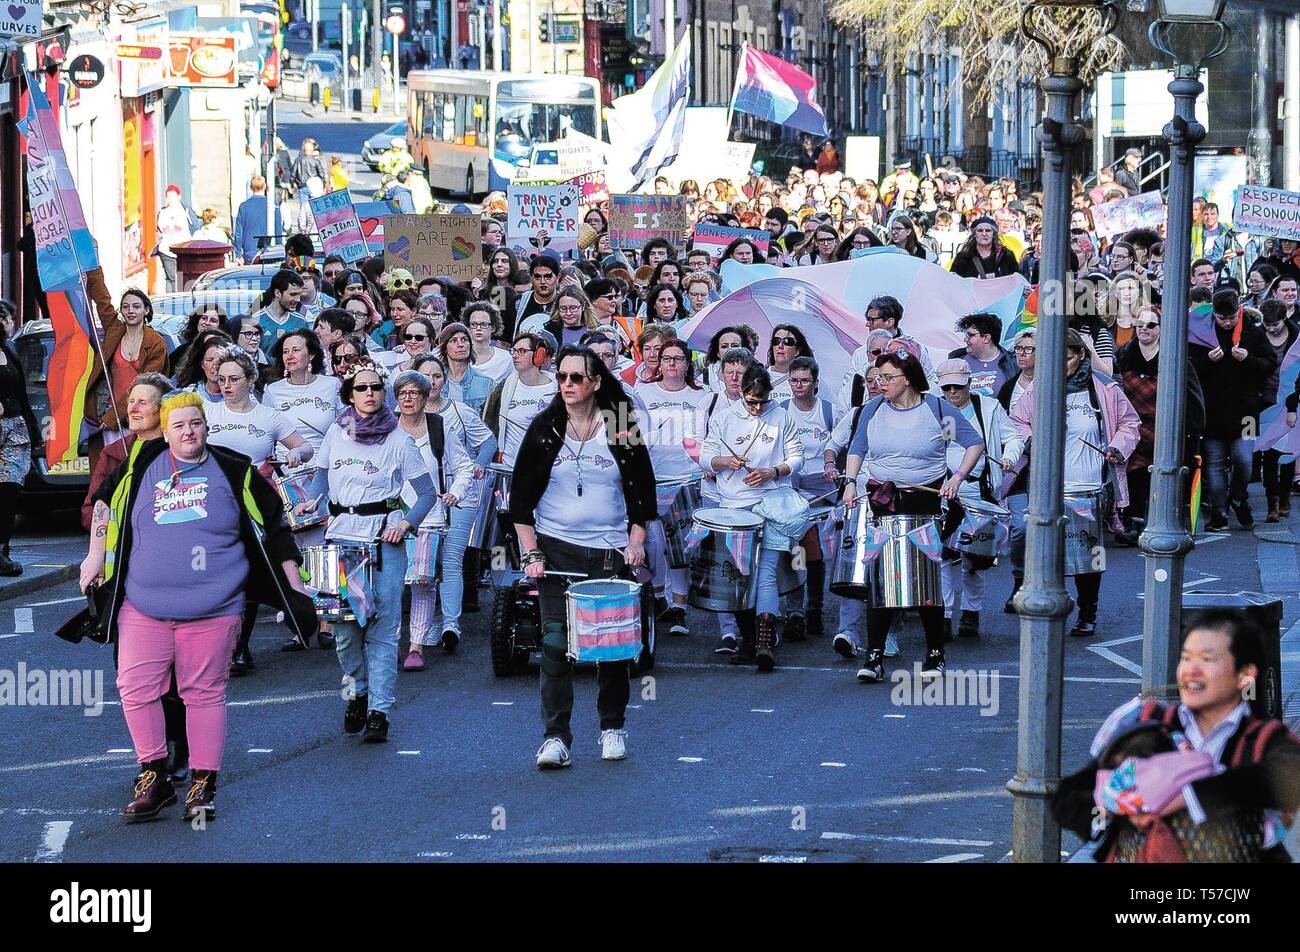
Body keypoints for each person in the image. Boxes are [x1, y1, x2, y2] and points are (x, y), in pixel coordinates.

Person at [81, 390, 315, 823]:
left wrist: (295, 587)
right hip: (143, 606)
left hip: (214, 609)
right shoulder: (143, 461)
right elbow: (103, 503)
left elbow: (277, 528)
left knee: (202, 694)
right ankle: (154, 775)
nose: (188, 432)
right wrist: (96, 554)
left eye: (195, 423)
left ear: (207, 426)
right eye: (179, 425)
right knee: (135, 689)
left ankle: (203, 784)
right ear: (165, 432)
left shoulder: (233, 468)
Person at [1052, 608, 1300, 863]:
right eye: (1186, 657)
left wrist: (1186, 796)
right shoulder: (1147, 724)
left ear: (1245, 675)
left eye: (1207, 659)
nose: (1191, 670)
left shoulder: (1264, 740)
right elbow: (1069, 797)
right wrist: (1112, 812)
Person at [509, 346, 657, 769]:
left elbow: (641, 490)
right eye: (562, 377)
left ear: (595, 382)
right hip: (556, 547)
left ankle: (612, 726)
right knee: (555, 642)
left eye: (577, 378)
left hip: (608, 549)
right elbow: (520, 500)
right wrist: (530, 550)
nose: (568, 385)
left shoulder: (619, 423)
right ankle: (556, 737)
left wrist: (636, 539)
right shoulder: (545, 427)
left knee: (609, 644)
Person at [296, 360, 438, 742]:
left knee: (383, 630)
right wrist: (312, 500)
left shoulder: (399, 440)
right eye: (362, 388)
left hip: (382, 543)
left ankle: (379, 711)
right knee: (343, 630)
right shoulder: (335, 433)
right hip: (338, 541)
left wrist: (405, 524)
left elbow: (426, 494)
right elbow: (322, 474)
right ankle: (357, 691)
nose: (370, 393)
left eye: (376, 387)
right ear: (350, 395)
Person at [842, 352, 985, 682]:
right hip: (883, 500)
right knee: (883, 579)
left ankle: (935, 653)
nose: (881, 384)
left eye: (888, 378)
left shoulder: (936, 409)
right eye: (878, 378)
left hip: (924, 501)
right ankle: (874, 656)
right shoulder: (872, 409)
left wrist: (957, 477)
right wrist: (850, 482)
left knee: (923, 581)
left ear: (907, 378)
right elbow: (857, 448)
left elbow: (973, 443)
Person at [1012, 330, 1140, 637]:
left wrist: (1117, 448)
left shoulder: (1104, 387)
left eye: (1067, 357)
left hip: (1089, 483)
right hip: (1050, 487)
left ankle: (1088, 611)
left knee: (1087, 556)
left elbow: (1130, 423)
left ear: (1081, 355)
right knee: (1048, 553)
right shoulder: (1042, 386)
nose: (1061, 364)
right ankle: (1051, 605)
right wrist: (1030, 442)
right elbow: (1017, 419)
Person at [205, 348, 313, 673]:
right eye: (221, 379)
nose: (226, 385)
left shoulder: (268, 416)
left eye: (234, 379)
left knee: (249, 571)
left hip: (256, 502)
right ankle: (220, 645)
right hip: (215, 499)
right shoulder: (209, 414)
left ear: (250, 379)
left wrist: (297, 455)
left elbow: (304, 445)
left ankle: (239, 647)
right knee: (219, 574)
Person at [700, 365, 805, 672]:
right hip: (734, 508)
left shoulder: (782, 416)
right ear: (741, 393)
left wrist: (774, 471)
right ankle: (750, 640)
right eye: (751, 401)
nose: (757, 407)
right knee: (740, 575)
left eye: (762, 401)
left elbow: (796, 457)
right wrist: (725, 461)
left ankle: (763, 641)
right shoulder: (723, 417)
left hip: (771, 505)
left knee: (767, 573)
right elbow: (705, 456)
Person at [933, 359, 1024, 639]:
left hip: (980, 492)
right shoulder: (937, 409)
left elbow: (1015, 438)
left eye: (957, 387)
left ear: (969, 384)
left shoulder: (989, 408)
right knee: (946, 557)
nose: (951, 392)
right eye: (946, 387)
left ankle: (971, 613)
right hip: (945, 493)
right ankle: (945, 615)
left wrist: (1008, 458)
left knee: (976, 558)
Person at [392, 368, 475, 666]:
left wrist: (455, 491)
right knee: (391, 584)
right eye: (402, 393)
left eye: (414, 393)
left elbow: (465, 466)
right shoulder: (387, 429)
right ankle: (392, 644)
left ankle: (416, 647)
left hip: (429, 515)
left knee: (422, 582)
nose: (408, 398)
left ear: (426, 397)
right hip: (391, 516)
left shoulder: (439, 429)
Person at [636, 338, 709, 637]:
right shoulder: (642, 393)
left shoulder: (704, 395)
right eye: (666, 358)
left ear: (688, 363)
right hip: (652, 478)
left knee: (679, 545)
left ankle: (679, 607)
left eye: (678, 359)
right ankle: (656, 596)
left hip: (687, 478)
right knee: (652, 543)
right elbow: (632, 435)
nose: (671, 364)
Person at [1113, 308, 1206, 541]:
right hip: (1132, 426)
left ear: (1161, 329)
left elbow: (1193, 396)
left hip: (1165, 428)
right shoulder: (1124, 354)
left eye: (1151, 325)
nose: (1145, 329)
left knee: (1163, 476)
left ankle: (1168, 522)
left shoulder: (1174, 357)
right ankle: (1134, 524)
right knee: (1134, 475)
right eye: (1140, 324)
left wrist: (1195, 430)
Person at [1190, 289, 1278, 531]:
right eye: (1221, 318)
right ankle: (1219, 513)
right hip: (1213, 412)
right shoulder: (1201, 334)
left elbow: (1270, 364)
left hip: (1247, 411)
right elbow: (1188, 367)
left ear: (1238, 312)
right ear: (1214, 315)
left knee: (1245, 461)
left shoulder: (1252, 331)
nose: (1227, 323)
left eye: (1231, 318)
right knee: (1215, 465)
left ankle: (1239, 498)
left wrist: (1248, 358)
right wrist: (1207, 360)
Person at [779, 356, 838, 641]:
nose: (798, 386)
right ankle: (795, 609)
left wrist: (832, 466)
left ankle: (813, 606)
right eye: (793, 380)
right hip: (790, 485)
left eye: (804, 381)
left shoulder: (828, 411)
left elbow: (841, 444)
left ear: (816, 382)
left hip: (821, 488)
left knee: (813, 548)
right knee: (794, 548)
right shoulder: (781, 411)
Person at [84, 290, 171, 472]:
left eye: (136, 306)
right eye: (126, 306)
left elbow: (145, 386)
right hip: (110, 417)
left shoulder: (156, 344)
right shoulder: (115, 331)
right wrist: (93, 270)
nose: (131, 310)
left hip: (142, 416)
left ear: (146, 310)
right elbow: (103, 302)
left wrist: (114, 417)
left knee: (140, 468)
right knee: (112, 470)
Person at [0, 314, 42, 575]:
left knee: (8, 489)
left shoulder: (8, 348)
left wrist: (33, 429)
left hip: (14, 428)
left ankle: (3, 552)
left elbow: (20, 392)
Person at [482, 330, 559, 468]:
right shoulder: (505, 386)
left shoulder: (556, 388)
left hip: (547, 468)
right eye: (514, 351)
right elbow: (489, 421)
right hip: (509, 466)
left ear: (538, 355)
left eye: (522, 351)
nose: (516, 356)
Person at [949, 312, 1016, 397]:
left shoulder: (1013, 364)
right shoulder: (955, 360)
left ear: (986, 338)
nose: (965, 340)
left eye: (970, 335)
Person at [155, 185, 197, 292]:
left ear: (179, 196)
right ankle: (171, 303)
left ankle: (181, 300)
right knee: (171, 279)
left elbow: (195, 226)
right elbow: (158, 230)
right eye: (169, 197)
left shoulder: (186, 211)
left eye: (173, 197)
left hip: (183, 250)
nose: (171, 200)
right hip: (166, 250)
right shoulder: (162, 213)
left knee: (182, 278)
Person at [232, 176, 281, 265]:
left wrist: (238, 254)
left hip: (249, 251)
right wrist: (279, 249)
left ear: (251, 188)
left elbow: (238, 233)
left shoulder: (243, 207)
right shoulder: (272, 206)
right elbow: (278, 231)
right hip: (270, 250)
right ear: (265, 186)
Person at [950, 216, 1019, 279]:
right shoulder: (963, 257)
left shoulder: (1006, 256)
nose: (984, 234)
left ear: (994, 234)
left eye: (988, 230)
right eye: (980, 231)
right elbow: (954, 281)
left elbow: (1017, 279)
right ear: (975, 234)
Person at [253, 270, 309, 345]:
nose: (298, 299)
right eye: (293, 294)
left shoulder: (301, 321)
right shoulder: (256, 321)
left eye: (299, 294)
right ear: (277, 293)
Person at [514, 256, 562, 334]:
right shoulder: (517, 303)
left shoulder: (565, 303)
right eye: (537, 277)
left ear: (558, 277)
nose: (542, 281)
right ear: (531, 278)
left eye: (548, 277)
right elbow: (505, 342)